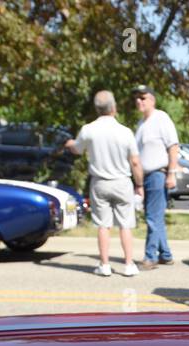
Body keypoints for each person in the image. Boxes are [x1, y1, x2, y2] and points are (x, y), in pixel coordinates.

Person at [65, 90, 143, 277]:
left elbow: (77, 148)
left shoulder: (88, 130)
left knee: (103, 224)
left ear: (97, 109)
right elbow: (134, 162)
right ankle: (129, 264)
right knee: (125, 224)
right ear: (114, 108)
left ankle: (105, 265)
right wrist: (139, 184)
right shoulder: (125, 132)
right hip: (122, 182)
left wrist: (69, 144)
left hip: (99, 182)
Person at [133, 85, 180, 270]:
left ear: (152, 99)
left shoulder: (161, 118)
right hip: (145, 176)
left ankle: (150, 256)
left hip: (157, 174)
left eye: (143, 97)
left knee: (153, 217)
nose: (139, 101)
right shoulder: (141, 123)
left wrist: (171, 173)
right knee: (155, 217)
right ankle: (165, 254)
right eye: (137, 98)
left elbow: (173, 146)